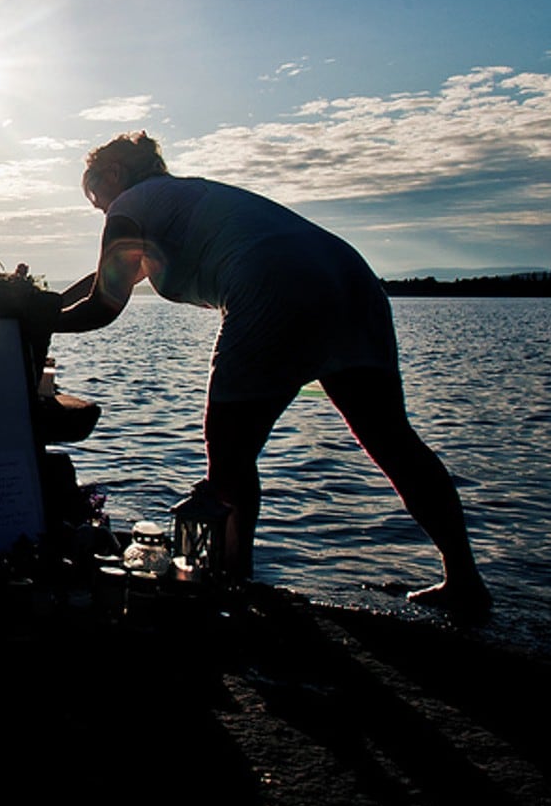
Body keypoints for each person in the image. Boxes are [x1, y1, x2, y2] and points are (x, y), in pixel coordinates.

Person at [57, 131, 490, 610]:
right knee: (392, 440)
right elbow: (108, 276)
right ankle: (464, 578)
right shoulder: (182, 196)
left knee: (229, 457)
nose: (103, 214)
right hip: (351, 278)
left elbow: (104, 303)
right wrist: (52, 303)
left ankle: (234, 585)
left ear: (113, 174)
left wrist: (37, 322)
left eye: (97, 201)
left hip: (274, 288)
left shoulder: (133, 203)